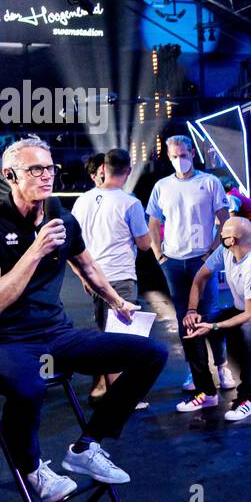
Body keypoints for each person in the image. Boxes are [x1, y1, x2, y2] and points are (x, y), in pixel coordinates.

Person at [0, 138, 168, 502]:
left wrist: (117, 301)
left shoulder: (63, 217)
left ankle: (87, 446)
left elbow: (86, 265)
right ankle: (31, 468)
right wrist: (36, 249)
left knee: (152, 354)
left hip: (56, 335)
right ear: (10, 175)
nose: (47, 176)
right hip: (2, 341)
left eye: (50, 167)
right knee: (30, 387)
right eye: (35, 169)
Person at [147, 135, 235, 393]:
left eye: (182, 155)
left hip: (202, 259)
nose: (179, 160)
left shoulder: (209, 182)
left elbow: (225, 220)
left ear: (192, 153)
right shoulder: (162, 186)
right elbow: (153, 222)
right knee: (183, 317)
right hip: (173, 261)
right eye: (173, 156)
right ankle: (195, 370)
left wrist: (212, 252)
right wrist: (159, 254)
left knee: (210, 314)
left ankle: (221, 366)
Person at [69, 148, 152, 402]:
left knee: (106, 334)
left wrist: (84, 277)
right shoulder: (130, 203)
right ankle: (120, 400)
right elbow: (145, 244)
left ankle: (104, 389)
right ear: (127, 171)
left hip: (94, 278)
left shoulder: (82, 200)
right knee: (121, 339)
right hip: (120, 278)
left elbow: (71, 244)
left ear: (103, 169)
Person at [178, 217, 251, 421]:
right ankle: (207, 393)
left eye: (222, 235)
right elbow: (199, 279)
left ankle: (247, 399)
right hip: (242, 310)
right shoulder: (225, 251)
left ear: (232, 240)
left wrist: (213, 326)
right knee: (192, 326)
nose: (219, 237)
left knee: (248, 330)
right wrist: (192, 311)